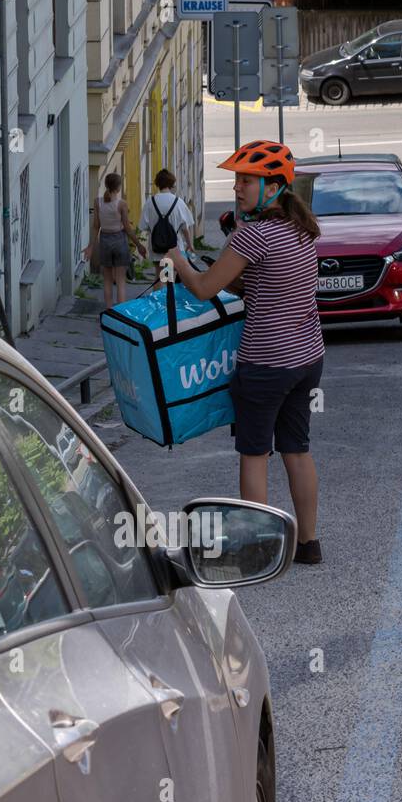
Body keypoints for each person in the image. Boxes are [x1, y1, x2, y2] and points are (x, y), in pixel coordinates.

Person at [164, 140, 324, 566]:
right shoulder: (302, 230)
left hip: (266, 362)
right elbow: (265, 284)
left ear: (272, 187)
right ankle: (308, 543)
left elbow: (202, 289)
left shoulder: (254, 235)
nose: (237, 188)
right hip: (307, 358)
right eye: (236, 180)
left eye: (246, 181)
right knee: (297, 449)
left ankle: (258, 550)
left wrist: (177, 258)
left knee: (254, 454)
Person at [83, 172, 146, 310]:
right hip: (119, 241)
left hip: (104, 241)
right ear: (118, 187)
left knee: (107, 280)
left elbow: (95, 227)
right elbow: (128, 229)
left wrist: (90, 247)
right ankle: (121, 314)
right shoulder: (121, 204)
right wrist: (139, 245)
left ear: (106, 185)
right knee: (121, 281)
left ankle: (109, 311)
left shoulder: (97, 202)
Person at [139, 168, 195, 259]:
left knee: (160, 272)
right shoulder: (179, 202)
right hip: (175, 249)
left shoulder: (150, 202)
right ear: (172, 183)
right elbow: (185, 228)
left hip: (157, 249)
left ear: (157, 183)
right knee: (172, 272)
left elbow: (143, 226)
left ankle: (163, 274)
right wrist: (190, 244)